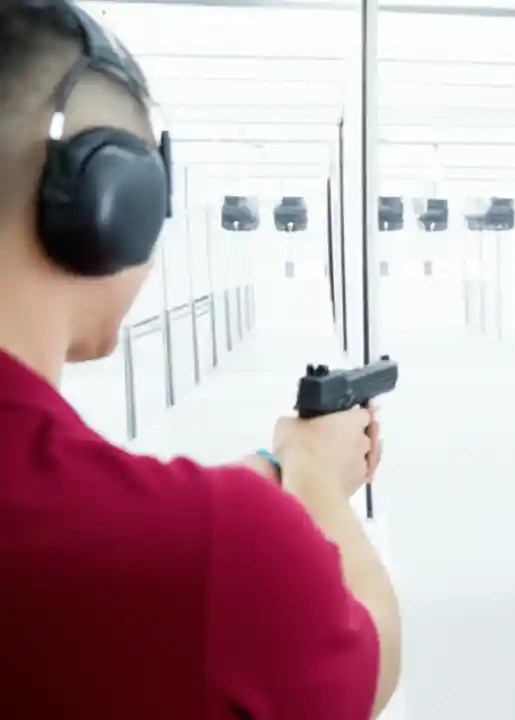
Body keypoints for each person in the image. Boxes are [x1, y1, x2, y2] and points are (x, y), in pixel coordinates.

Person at [0, 3, 401, 718]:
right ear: (109, 200)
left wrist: (264, 477)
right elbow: (372, 659)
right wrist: (314, 481)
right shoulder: (220, 550)